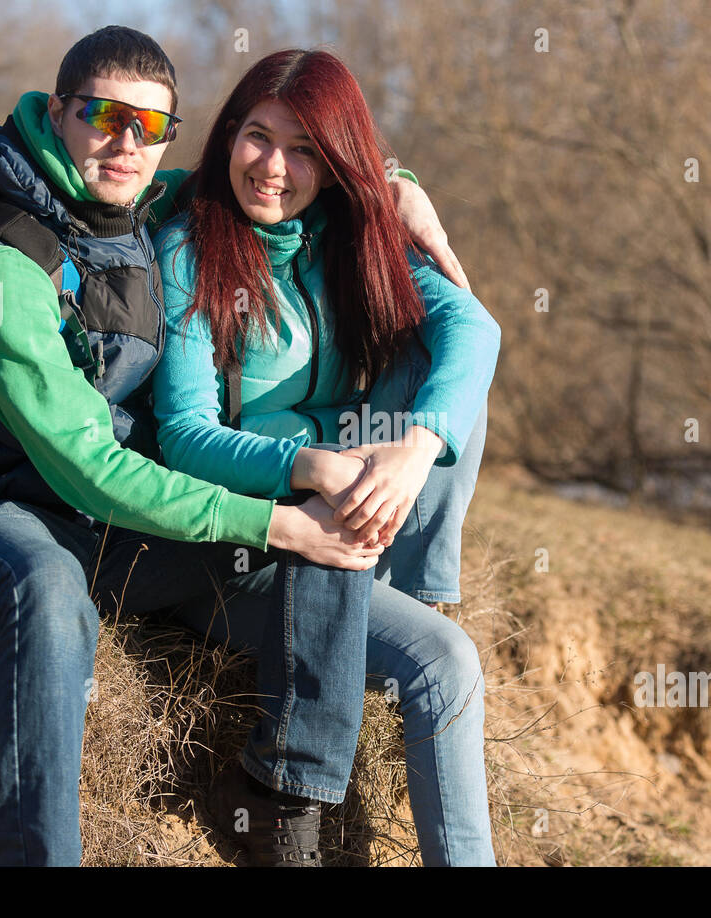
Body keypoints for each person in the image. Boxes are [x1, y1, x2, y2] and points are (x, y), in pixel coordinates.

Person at [0, 25, 469, 866]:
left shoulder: (137, 202)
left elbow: (278, 169)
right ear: (57, 111)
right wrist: (279, 523)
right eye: (102, 115)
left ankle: (288, 806)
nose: (126, 142)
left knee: (326, 529)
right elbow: (90, 469)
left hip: (111, 518)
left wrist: (395, 184)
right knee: (50, 592)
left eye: (150, 125)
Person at [152, 49, 500, 866]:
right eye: (256, 136)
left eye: (304, 147)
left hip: (355, 501)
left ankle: (414, 587)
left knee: (448, 365)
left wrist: (414, 449)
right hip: (252, 536)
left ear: (338, 162)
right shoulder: (189, 252)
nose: (273, 168)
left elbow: (477, 327)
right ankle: (284, 793)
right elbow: (184, 438)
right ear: (228, 134)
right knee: (444, 666)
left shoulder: (355, 233)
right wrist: (309, 466)